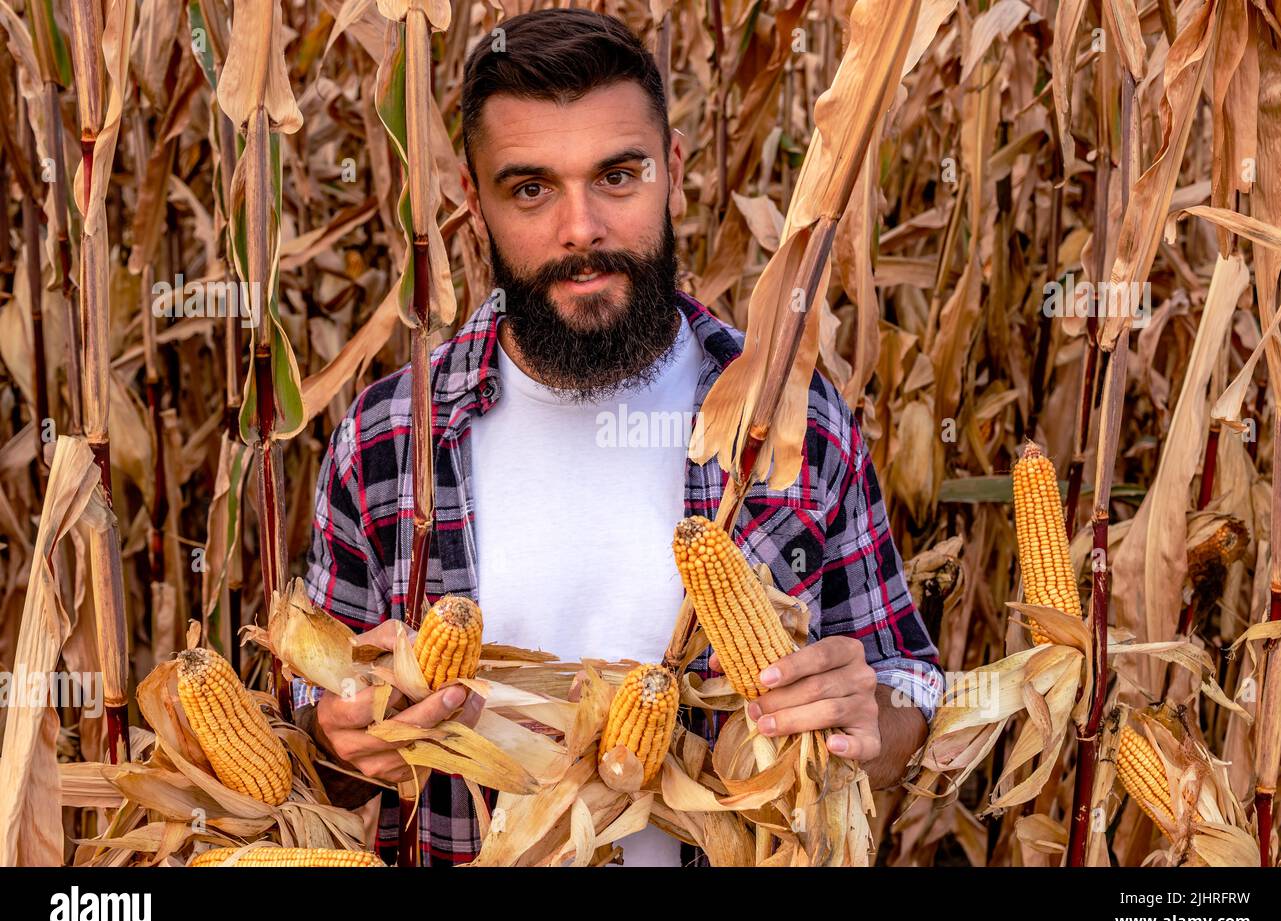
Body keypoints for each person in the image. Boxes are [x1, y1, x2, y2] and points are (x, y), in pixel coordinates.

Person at [293, 7, 943, 867]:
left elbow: (904, 687)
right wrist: (333, 730)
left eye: (618, 176)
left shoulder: (793, 420)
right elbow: (313, 711)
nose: (582, 229)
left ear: (673, 171)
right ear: (469, 198)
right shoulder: (386, 437)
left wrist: (874, 720)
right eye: (531, 189)